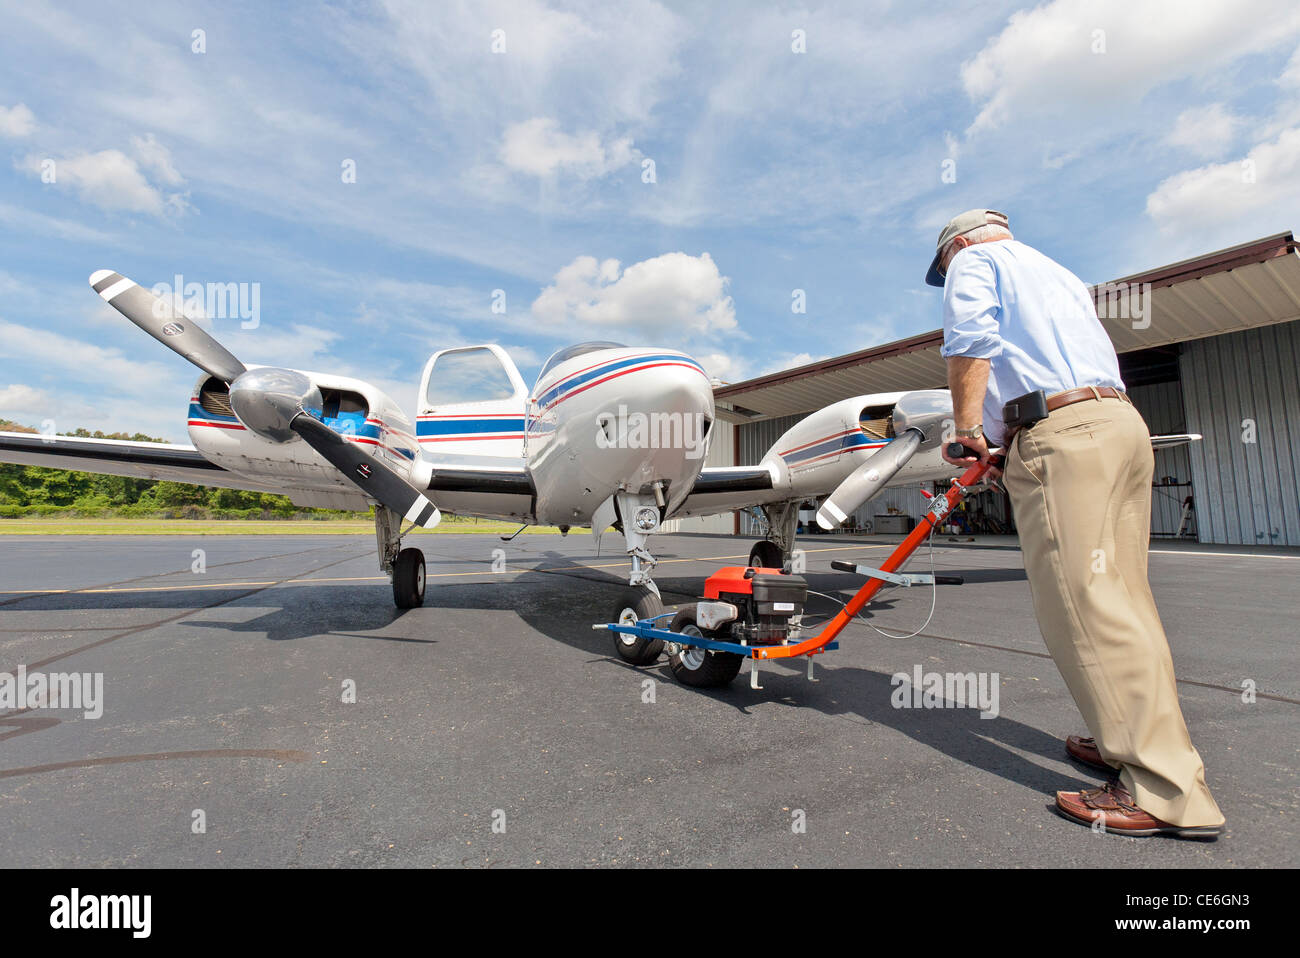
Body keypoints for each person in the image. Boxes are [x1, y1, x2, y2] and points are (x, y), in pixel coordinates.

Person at [928, 209, 1224, 839]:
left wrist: (968, 431)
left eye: (943, 265)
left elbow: (970, 341)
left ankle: (1163, 790)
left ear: (954, 248)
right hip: (1118, 425)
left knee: (1083, 608)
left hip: (1062, 434)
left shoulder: (973, 263)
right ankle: (1127, 738)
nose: (946, 274)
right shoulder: (1056, 271)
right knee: (1124, 600)